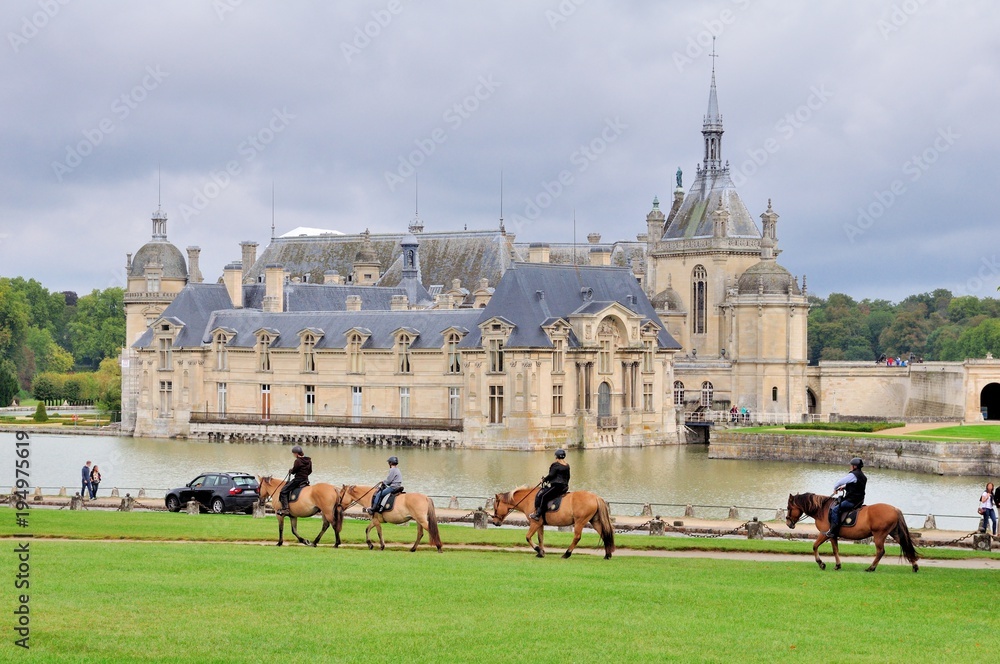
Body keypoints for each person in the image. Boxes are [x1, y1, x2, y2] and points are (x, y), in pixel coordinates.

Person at [824, 457, 867, 538]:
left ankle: (833, 531)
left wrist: (835, 488)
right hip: (859, 501)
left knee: (835, 510)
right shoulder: (863, 476)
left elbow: (839, 482)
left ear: (855, 466)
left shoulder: (853, 475)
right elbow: (857, 486)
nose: (850, 467)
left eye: (851, 465)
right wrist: (844, 487)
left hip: (851, 501)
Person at [529, 449, 570, 522]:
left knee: (543, 496)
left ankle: (538, 514)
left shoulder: (555, 465)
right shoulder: (567, 465)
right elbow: (568, 477)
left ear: (556, 456)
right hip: (564, 487)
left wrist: (543, 480)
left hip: (557, 487)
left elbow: (551, 475)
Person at [277, 445, 311, 516]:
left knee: (283, 491)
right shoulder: (308, 461)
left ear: (296, 454)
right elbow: (310, 471)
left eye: (294, 454)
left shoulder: (297, 461)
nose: (294, 455)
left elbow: (294, 471)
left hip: (298, 480)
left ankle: (285, 509)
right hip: (305, 480)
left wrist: (291, 471)